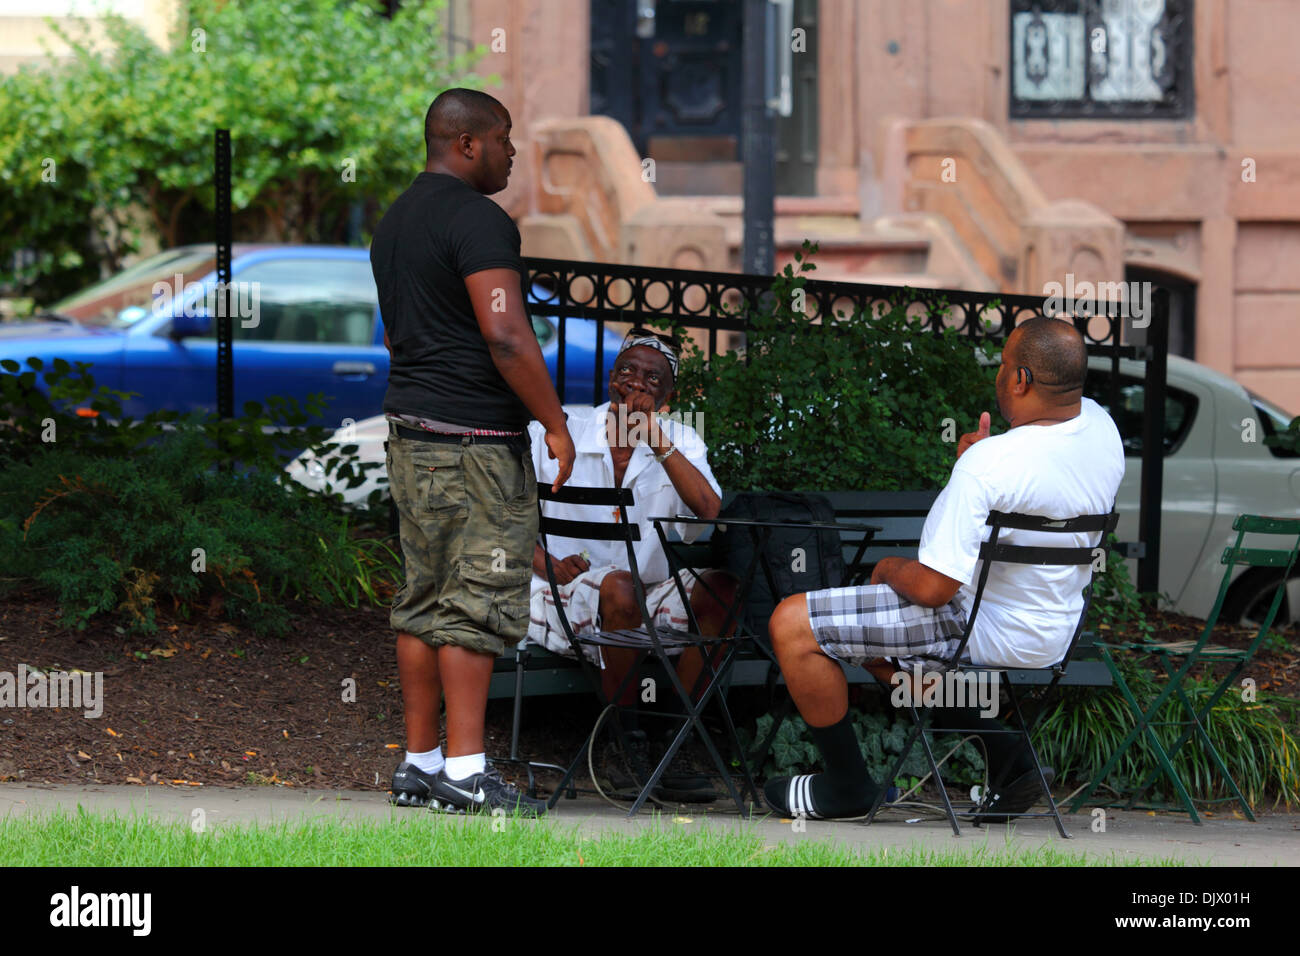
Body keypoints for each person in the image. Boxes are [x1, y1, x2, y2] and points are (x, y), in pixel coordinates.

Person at [764, 317, 1123, 820]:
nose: (998, 375)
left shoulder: (989, 467)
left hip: (977, 624)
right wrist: (988, 461)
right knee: (877, 645)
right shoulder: (1103, 430)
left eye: (1003, 364)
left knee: (792, 623)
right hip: (1056, 630)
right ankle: (1005, 751)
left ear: (1020, 380)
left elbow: (933, 588)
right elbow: (1040, 474)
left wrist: (888, 566)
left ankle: (846, 785)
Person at [373, 88, 575, 815]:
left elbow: (396, 339)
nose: (511, 152)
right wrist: (554, 422)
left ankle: (419, 764)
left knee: (422, 599)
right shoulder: (478, 219)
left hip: (412, 438)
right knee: (476, 605)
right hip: (478, 447)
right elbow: (507, 334)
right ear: (466, 143)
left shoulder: (394, 222)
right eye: (504, 138)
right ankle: (465, 771)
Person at [528, 328, 739, 796]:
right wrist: (544, 561)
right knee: (619, 587)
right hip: (562, 589)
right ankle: (624, 744)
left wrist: (656, 439)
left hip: (643, 593)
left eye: (652, 378)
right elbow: (501, 511)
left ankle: (675, 740)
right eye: (628, 371)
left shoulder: (682, 439)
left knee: (722, 590)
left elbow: (708, 510)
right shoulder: (561, 428)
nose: (637, 383)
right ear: (610, 380)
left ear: (668, 395)